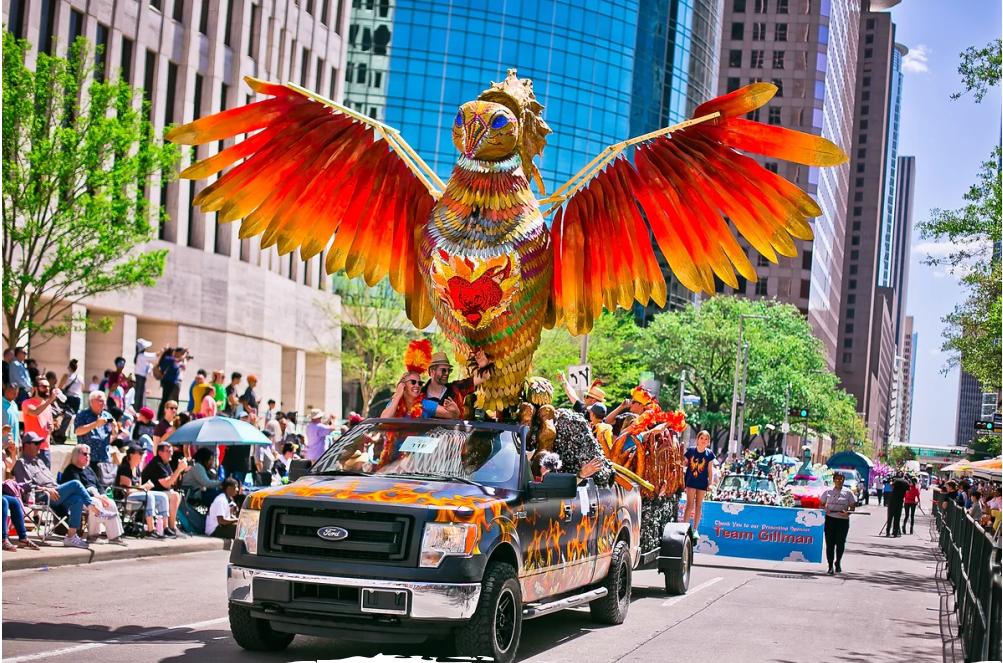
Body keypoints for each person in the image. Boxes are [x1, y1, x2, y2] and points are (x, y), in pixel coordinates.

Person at [13, 432, 107, 548]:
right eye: (36, 443)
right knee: (76, 484)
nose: (39, 446)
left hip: (55, 493)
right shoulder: (21, 463)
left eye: (40, 443)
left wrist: (53, 488)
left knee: (77, 499)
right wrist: (46, 489)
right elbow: (24, 486)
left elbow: (51, 482)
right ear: (26, 445)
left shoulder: (39, 462)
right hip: (42, 496)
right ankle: (94, 509)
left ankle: (71, 536)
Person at [61, 445, 127, 545]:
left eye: (89, 454)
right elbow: (79, 490)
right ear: (76, 455)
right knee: (95, 503)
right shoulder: (71, 470)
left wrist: (103, 495)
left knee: (111, 503)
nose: (87, 456)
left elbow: (98, 484)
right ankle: (92, 535)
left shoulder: (88, 469)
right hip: (79, 499)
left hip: (96, 495)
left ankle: (114, 537)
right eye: (84, 454)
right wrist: (98, 497)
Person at [115, 446, 171, 537]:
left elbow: (139, 487)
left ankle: (165, 527)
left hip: (136, 495)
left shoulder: (137, 469)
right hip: (125, 498)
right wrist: (143, 488)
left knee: (162, 496)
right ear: (131, 455)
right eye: (140, 453)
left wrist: (144, 487)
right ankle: (150, 529)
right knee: (149, 496)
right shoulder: (125, 468)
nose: (142, 455)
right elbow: (127, 491)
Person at [423, 349, 492, 418]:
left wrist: (484, 366)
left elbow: (483, 377)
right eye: (443, 370)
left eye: (449, 370)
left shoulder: (456, 388)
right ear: (432, 371)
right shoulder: (420, 395)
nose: (447, 373)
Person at [140, 442, 189, 537]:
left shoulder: (166, 463)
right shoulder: (157, 463)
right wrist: (178, 470)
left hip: (160, 493)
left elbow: (172, 481)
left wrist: (182, 470)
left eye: (171, 451)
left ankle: (171, 527)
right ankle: (171, 528)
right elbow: (166, 483)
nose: (171, 454)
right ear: (160, 453)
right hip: (150, 492)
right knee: (174, 495)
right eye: (168, 451)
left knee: (175, 493)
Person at [74, 391, 119, 476]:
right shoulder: (82, 415)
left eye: (104, 401)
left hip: (104, 457)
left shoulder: (107, 415)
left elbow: (114, 433)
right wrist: (95, 424)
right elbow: (78, 431)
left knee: (103, 484)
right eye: (100, 401)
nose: (103, 403)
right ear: (92, 401)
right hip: (88, 458)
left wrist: (114, 427)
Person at [820, 471, 856, 575]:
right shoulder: (828, 491)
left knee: (840, 543)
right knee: (830, 544)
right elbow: (821, 504)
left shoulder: (848, 492)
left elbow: (852, 507)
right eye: (837, 479)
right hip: (830, 519)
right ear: (833, 480)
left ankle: (838, 561)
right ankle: (830, 565)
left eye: (841, 479)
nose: (839, 481)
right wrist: (825, 509)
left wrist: (848, 513)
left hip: (842, 521)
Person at [21, 375, 62, 469]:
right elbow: (35, 412)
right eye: (44, 387)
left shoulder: (48, 406)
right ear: (35, 389)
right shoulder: (27, 403)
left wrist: (52, 427)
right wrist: (50, 400)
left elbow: (48, 426)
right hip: (31, 448)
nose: (47, 389)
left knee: (46, 480)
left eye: (48, 387)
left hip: (45, 449)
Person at [682, 430, 716, 540]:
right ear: (697, 440)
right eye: (701, 438)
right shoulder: (691, 450)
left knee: (698, 505)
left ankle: (695, 529)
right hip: (691, 481)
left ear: (708, 442)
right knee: (689, 504)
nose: (703, 441)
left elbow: (710, 470)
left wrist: (710, 484)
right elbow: (684, 463)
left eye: (706, 439)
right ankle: (684, 527)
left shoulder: (709, 454)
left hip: (702, 482)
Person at [156, 347, 188, 420]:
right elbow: (178, 360)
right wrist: (184, 355)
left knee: (173, 401)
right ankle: (161, 417)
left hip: (173, 383)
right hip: (168, 382)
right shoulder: (168, 359)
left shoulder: (173, 361)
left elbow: (183, 367)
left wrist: (185, 358)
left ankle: (171, 416)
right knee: (165, 400)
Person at [886, 472, 909, 537]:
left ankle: (888, 531)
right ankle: (895, 532)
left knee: (890, 517)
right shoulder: (906, 482)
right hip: (900, 501)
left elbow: (891, 487)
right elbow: (908, 491)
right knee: (897, 518)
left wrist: (890, 482)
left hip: (893, 501)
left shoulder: (896, 481)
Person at [2, 383, 20, 450]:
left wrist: (19, 440)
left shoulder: (14, 405)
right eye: (14, 393)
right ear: (6, 391)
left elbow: (16, 424)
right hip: (3, 445)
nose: (16, 395)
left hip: (14, 445)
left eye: (17, 393)